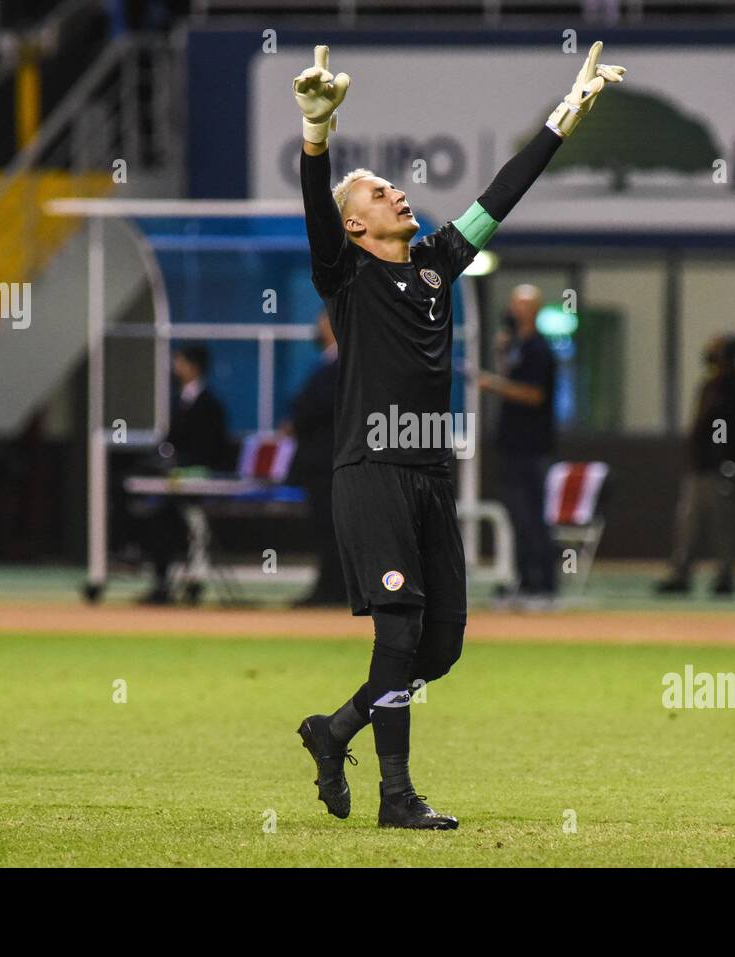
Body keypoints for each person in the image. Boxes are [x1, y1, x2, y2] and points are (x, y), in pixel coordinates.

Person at [291, 42, 625, 829]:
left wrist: (559, 123)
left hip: (431, 474)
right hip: (371, 469)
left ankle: (334, 730)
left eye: (393, 185)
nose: (397, 192)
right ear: (354, 224)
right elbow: (314, 206)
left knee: (439, 645)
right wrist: (315, 137)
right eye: (379, 190)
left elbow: (501, 194)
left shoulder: (442, 259)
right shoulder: (344, 274)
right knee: (401, 628)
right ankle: (397, 795)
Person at [655, 334, 735, 597]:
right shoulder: (711, 385)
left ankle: (725, 577)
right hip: (700, 468)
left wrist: (728, 460)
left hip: (721, 469)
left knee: (723, 525)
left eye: (715, 350)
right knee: (689, 524)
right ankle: (682, 573)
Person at [479, 284, 559, 606]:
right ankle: (526, 581)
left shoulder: (539, 349)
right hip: (512, 445)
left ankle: (543, 585)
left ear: (535, 309)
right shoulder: (516, 346)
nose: (514, 310)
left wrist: (494, 384)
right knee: (518, 517)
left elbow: (534, 395)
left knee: (532, 517)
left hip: (532, 447)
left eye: (521, 304)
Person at [137, 344, 235, 605]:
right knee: (159, 519)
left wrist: (182, 463)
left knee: (188, 521)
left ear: (193, 367)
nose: (174, 367)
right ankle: (162, 581)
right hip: (178, 484)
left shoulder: (211, 405)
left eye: (179, 362)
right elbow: (170, 443)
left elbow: (212, 449)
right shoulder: (178, 401)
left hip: (200, 483)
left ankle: (192, 580)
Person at [285, 313, 347, 607]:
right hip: (321, 462)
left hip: (330, 461)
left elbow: (319, 407)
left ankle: (333, 591)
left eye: (324, 320)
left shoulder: (344, 363)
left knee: (332, 528)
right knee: (324, 528)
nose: (318, 325)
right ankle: (330, 588)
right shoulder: (327, 363)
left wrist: (298, 418)